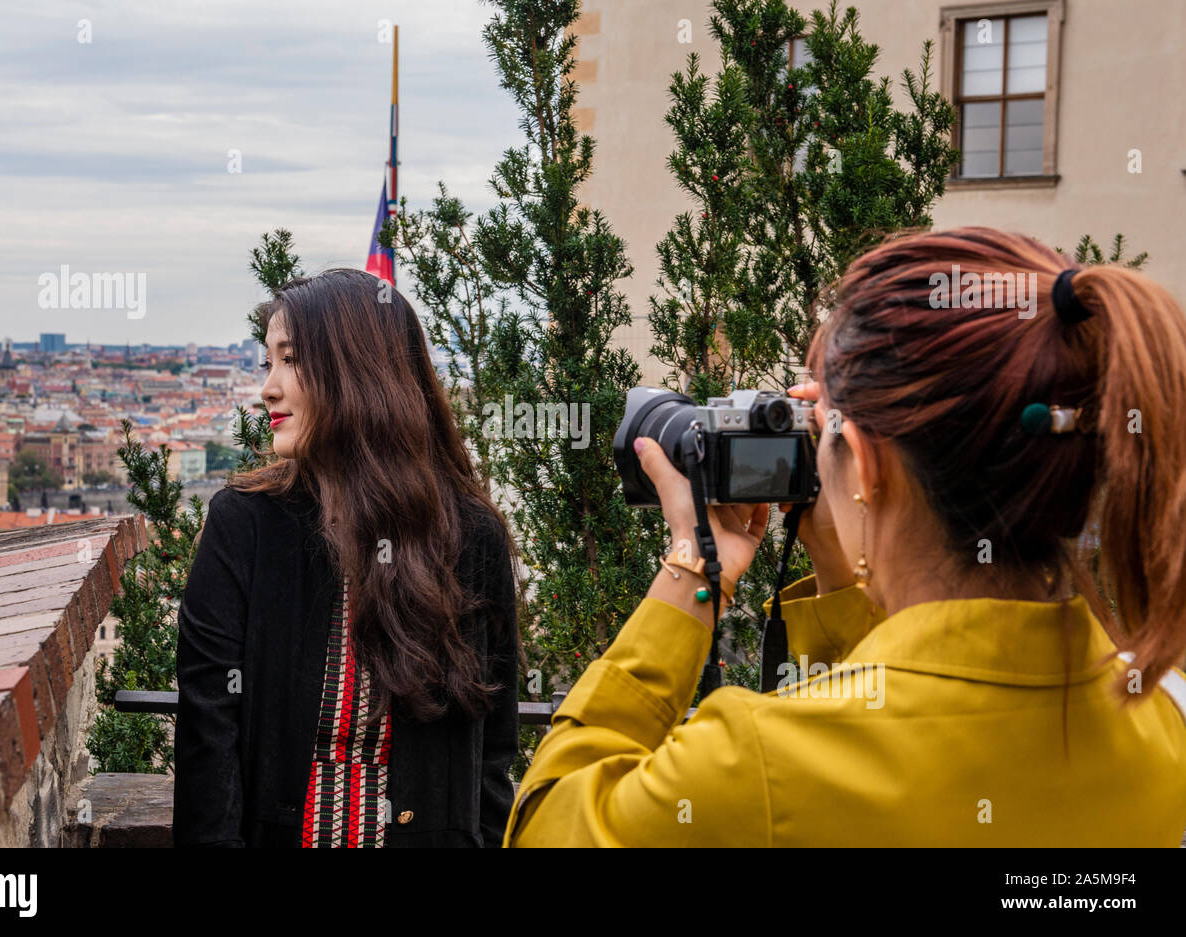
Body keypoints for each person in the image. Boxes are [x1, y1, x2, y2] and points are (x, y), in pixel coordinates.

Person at [504, 226, 1186, 847]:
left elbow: (548, 822)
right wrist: (839, 567)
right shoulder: (1168, 714)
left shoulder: (757, 763)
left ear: (862, 462)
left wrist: (691, 566)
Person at [174, 268, 520, 847]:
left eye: (293, 359)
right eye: (269, 363)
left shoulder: (469, 536)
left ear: (358, 372)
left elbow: (493, 748)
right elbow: (210, 735)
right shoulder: (245, 524)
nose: (269, 387)